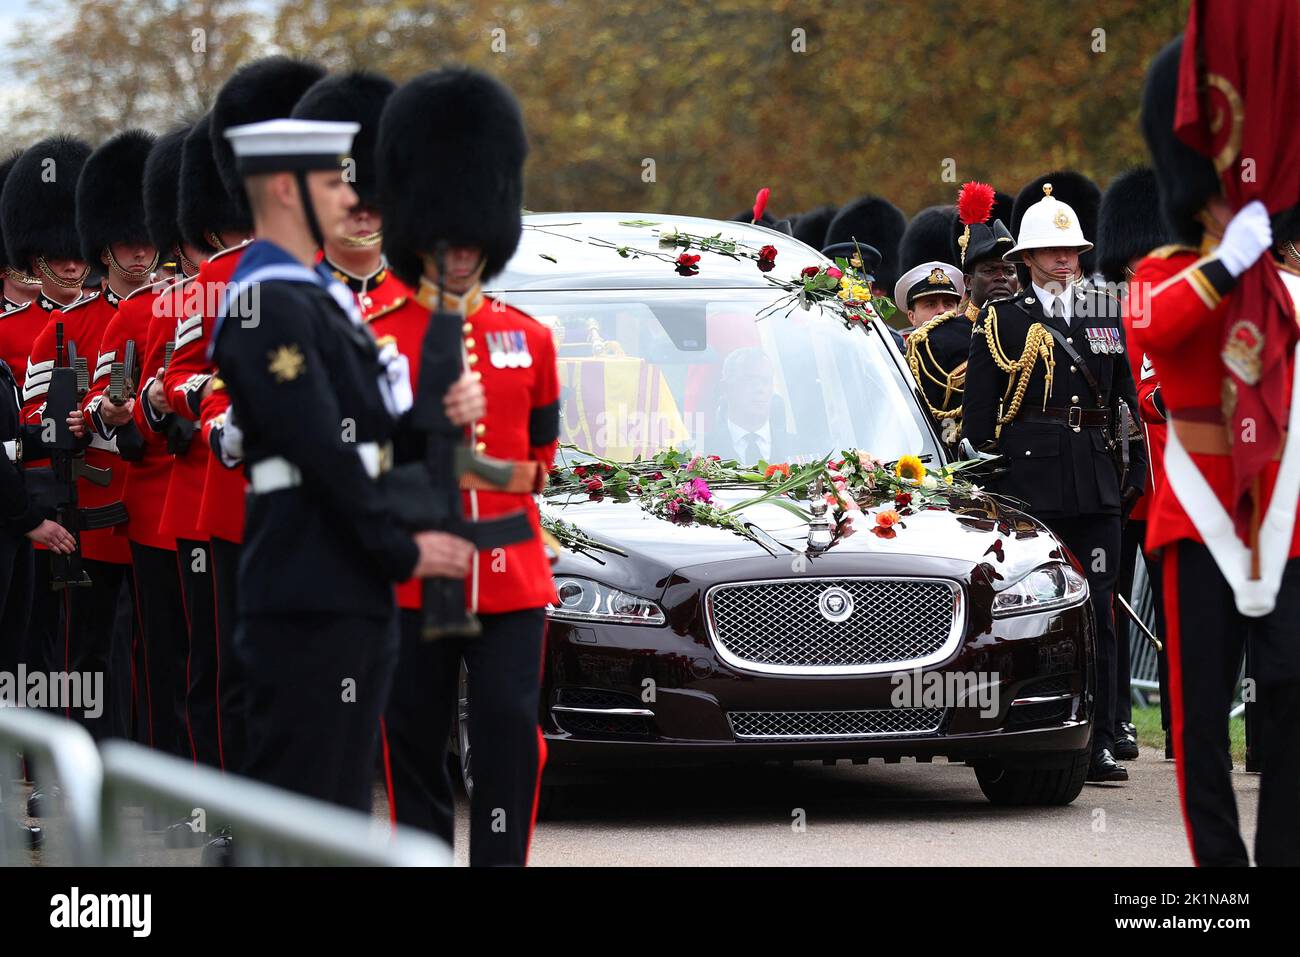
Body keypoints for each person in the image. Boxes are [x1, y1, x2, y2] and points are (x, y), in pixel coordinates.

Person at [211, 115, 481, 814]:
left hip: (342, 578)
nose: (348, 198)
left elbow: (372, 435)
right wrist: (401, 546)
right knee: (302, 807)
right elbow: (320, 445)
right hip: (309, 578)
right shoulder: (264, 301)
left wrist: (433, 414)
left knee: (336, 806)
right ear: (283, 188)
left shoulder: (312, 298)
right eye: (331, 181)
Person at [374, 66, 559, 867]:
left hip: (510, 570)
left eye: (473, 240)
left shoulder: (532, 336)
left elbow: (543, 459)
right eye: (446, 241)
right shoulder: (372, 329)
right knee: (410, 744)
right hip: (414, 567)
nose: (459, 255)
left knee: (510, 738)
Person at [1127, 34, 1300, 866]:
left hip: (1286, 519)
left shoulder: (1290, 280)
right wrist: (1229, 267)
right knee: (1198, 723)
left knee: (1292, 701)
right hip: (1198, 521)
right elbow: (1159, 328)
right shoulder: (1160, 272)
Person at [963, 181, 1145, 784]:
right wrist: (993, 490)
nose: (1066, 260)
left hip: (1095, 480)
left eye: (1073, 250)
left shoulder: (1103, 310)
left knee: (1099, 608)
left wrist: (1131, 466)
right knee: (1034, 612)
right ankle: (1030, 728)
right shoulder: (1003, 319)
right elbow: (981, 421)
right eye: (1052, 251)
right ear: (1029, 259)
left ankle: (1101, 735)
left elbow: (1122, 400)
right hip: (1032, 484)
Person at [1096, 165, 1174, 764]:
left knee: (1177, 610)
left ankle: (1179, 728)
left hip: (1164, 483)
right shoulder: (1105, 311)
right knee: (1111, 608)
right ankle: (1117, 720)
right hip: (1121, 482)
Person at [701, 347, 789, 462]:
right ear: (725, 388)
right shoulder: (699, 452)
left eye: (766, 381)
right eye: (750, 380)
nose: (760, 389)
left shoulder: (800, 446)